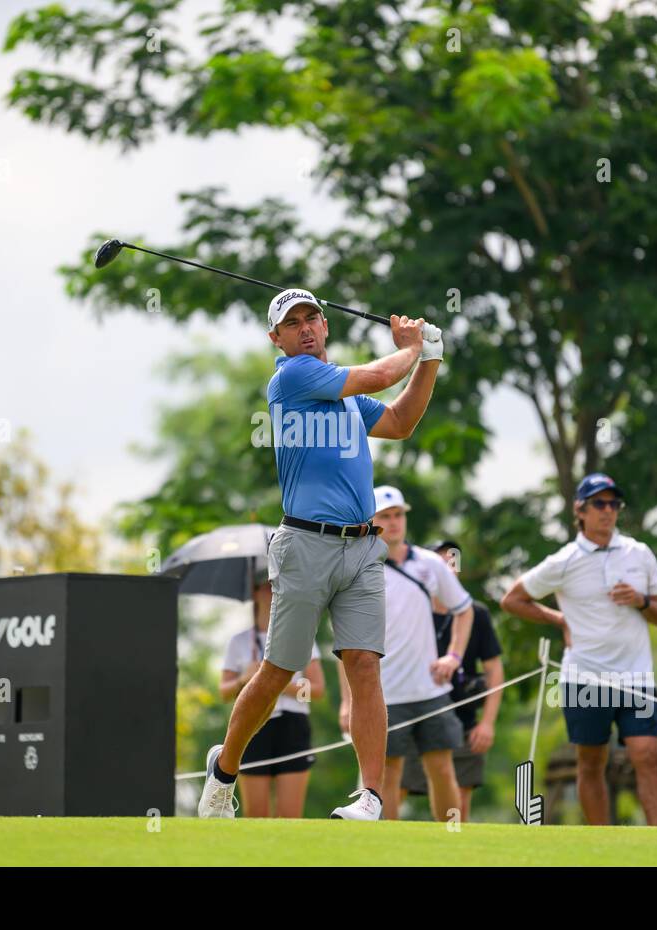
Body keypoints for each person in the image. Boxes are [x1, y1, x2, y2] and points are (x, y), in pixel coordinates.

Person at [199, 288, 444, 820]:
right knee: (279, 670)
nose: (306, 328)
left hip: (361, 547)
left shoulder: (350, 400)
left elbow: (401, 423)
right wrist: (411, 346)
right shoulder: (292, 378)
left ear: (326, 326)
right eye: (293, 323)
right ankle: (224, 771)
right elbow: (380, 375)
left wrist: (429, 360)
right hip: (304, 543)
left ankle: (371, 797)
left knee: (364, 665)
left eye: (313, 318)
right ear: (277, 338)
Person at [500, 474, 657, 825]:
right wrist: (559, 619)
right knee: (591, 762)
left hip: (636, 676)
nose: (607, 511)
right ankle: (602, 845)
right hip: (584, 678)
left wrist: (640, 601)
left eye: (613, 504)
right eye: (599, 503)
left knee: (648, 754)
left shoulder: (639, 553)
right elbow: (512, 599)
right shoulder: (564, 560)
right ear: (580, 510)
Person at [351, 486, 475, 822]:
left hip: (430, 688)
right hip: (384, 692)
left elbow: (464, 609)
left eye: (398, 515)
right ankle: (389, 851)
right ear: (372, 521)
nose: (393, 523)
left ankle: (452, 846)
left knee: (442, 768)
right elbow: (345, 642)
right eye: (385, 516)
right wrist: (349, 700)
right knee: (388, 774)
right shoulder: (360, 565)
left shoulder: (431, 563)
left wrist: (454, 657)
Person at [399, 539, 504, 822]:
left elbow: (494, 669)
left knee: (458, 811)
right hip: (409, 713)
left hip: (462, 721)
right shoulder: (408, 606)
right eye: (440, 562)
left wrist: (487, 723)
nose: (447, 567)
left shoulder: (477, 614)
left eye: (453, 562)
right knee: (393, 792)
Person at [219, 573, 325, 818]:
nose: (271, 591)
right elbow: (224, 692)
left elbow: (315, 691)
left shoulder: (302, 635)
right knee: (256, 815)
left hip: (293, 724)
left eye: (275, 586)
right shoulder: (239, 642)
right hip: (252, 726)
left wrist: (273, 681)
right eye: (265, 586)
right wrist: (244, 681)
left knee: (290, 816)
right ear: (254, 592)